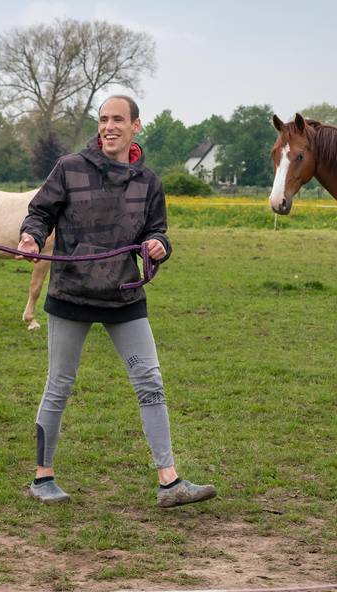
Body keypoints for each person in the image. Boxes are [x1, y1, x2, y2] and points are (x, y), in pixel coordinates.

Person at [16, 95, 216, 508]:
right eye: (104, 119)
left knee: (150, 382)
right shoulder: (70, 168)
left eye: (118, 120)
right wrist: (32, 236)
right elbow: (40, 212)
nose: (109, 126)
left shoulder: (149, 182)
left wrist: (159, 245)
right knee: (59, 385)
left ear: (136, 126)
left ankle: (169, 482)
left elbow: (158, 230)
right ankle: (42, 477)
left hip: (124, 295)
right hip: (71, 293)